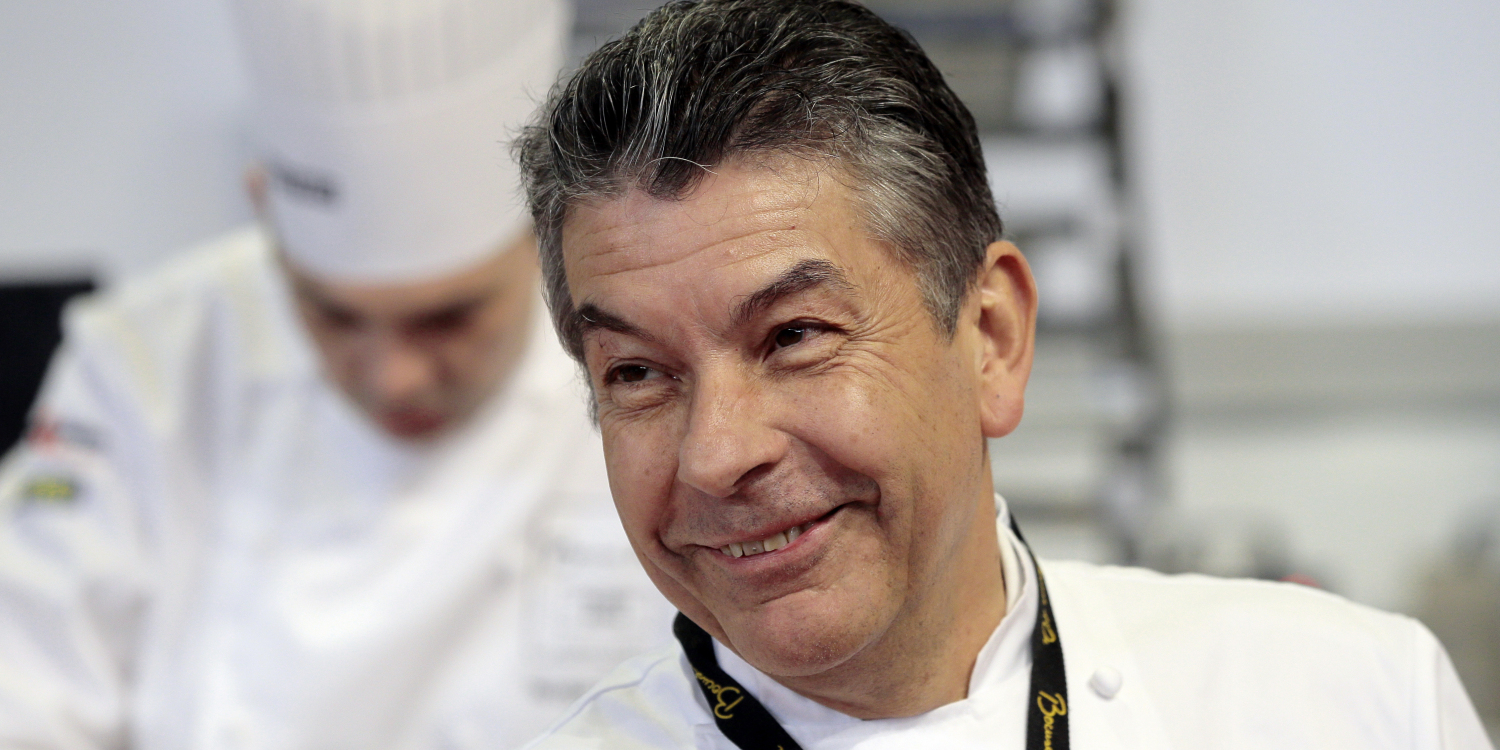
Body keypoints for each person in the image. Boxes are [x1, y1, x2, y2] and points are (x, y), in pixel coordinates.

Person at [509, 1, 1495, 747]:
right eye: (637, 372)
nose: (716, 453)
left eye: (794, 336)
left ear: (991, 337)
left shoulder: (1342, 704)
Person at [0, 0, 669, 747]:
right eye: (332, 315)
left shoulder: (650, 360)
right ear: (263, 213)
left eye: (447, 318)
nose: (393, 379)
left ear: (546, 233)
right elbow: (23, 684)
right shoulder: (149, 358)